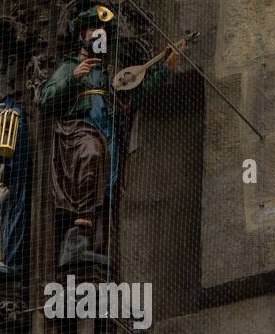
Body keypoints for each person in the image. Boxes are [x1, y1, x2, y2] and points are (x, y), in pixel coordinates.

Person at [39, 4, 182, 261]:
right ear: (81, 35)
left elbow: (134, 95)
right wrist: (73, 77)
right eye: (94, 29)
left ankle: (96, 246)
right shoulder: (69, 67)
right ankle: (79, 230)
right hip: (79, 131)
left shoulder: (108, 73)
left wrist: (164, 69)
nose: (99, 34)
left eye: (103, 31)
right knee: (91, 153)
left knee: (107, 187)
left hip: (108, 132)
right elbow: (47, 99)